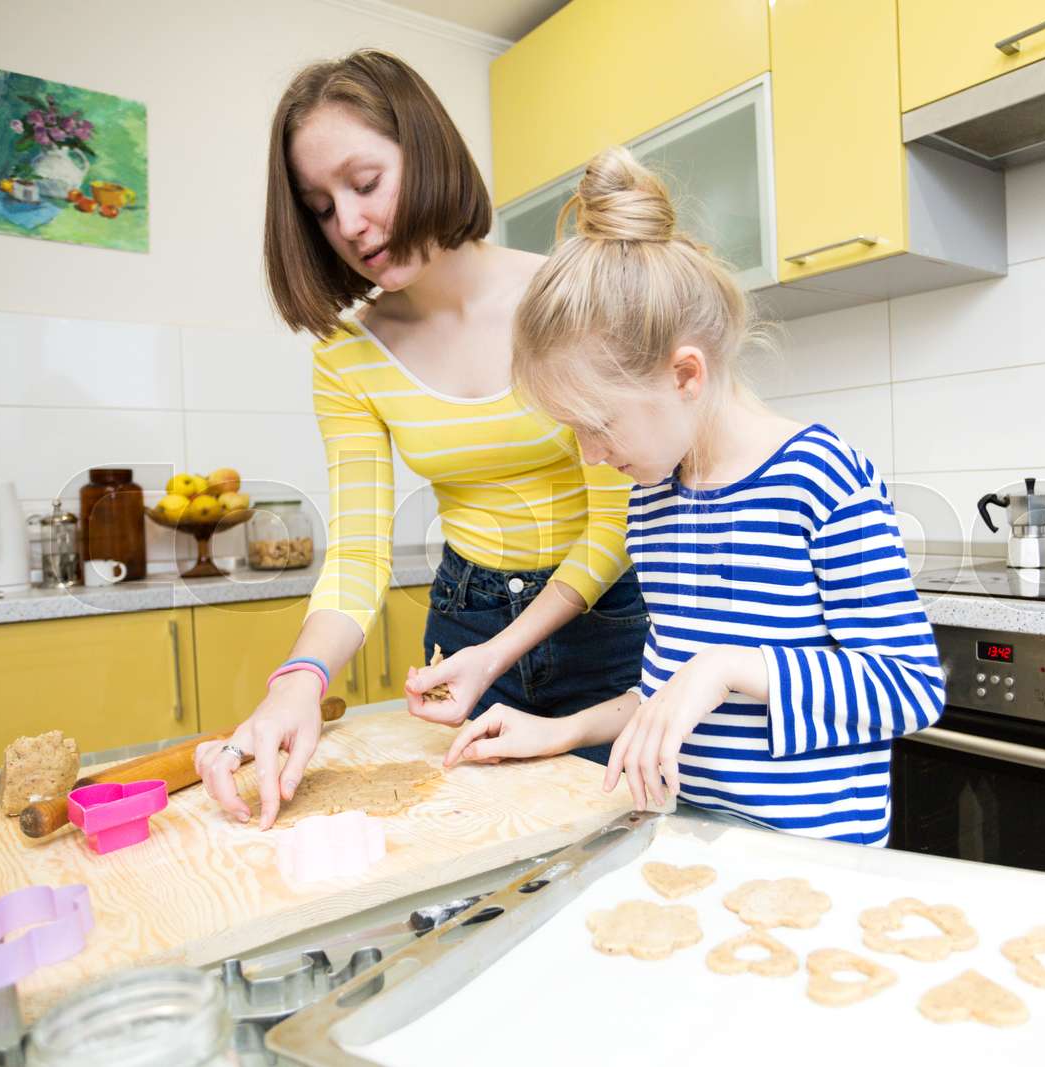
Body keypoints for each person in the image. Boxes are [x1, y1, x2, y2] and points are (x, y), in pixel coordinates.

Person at [196, 51, 649, 829]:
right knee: (468, 874)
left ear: (427, 149)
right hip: (462, 632)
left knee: (616, 857)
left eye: (364, 183)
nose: (349, 224)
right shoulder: (348, 355)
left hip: (603, 626)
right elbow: (361, 554)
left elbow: (613, 524)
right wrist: (298, 679)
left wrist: (500, 653)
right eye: (320, 206)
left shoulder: (568, 297)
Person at [444, 147, 945, 846]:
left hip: (818, 862)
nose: (590, 454)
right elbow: (663, 699)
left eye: (598, 424)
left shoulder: (820, 479)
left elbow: (908, 686)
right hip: (696, 840)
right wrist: (558, 731)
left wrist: (728, 667)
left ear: (684, 374)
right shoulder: (651, 500)